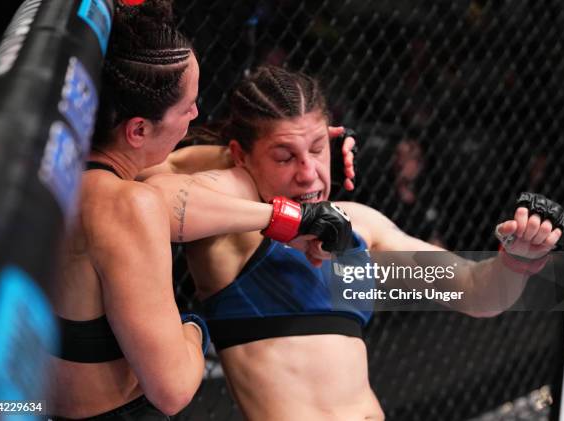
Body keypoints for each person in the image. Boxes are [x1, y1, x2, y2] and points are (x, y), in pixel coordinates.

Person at [146, 65, 564, 421]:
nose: (309, 173)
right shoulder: (230, 225)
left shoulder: (359, 226)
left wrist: (515, 263)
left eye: (317, 149)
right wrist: (284, 216)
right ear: (239, 156)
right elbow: (145, 199)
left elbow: (477, 292)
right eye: (284, 156)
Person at [48, 2, 354, 419]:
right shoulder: (149, 201)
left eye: (318, 149)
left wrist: (296, 181)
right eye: (186, 108)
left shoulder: (58, 165)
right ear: (137, 129)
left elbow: (466, 284)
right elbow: (172, 389)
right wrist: (193, 325)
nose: (195, 117)